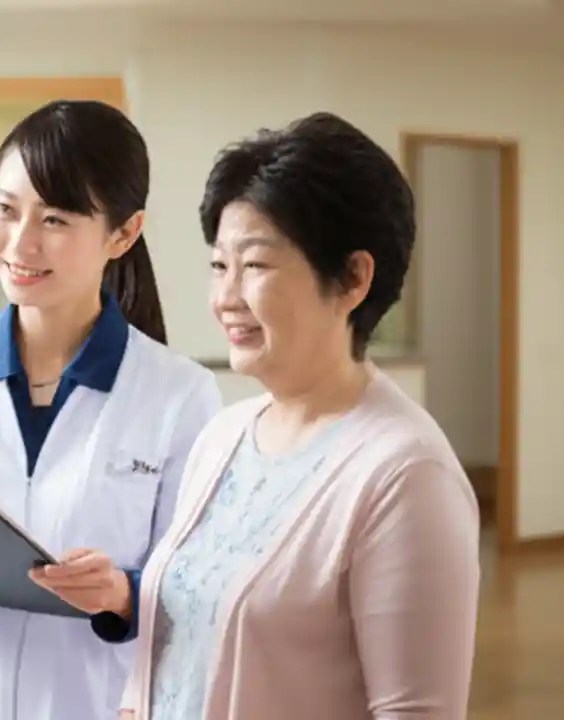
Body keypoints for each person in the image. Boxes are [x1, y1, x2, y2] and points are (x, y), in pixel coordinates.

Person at [0, 100, 224, 720]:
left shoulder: (179, 396)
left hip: (90, 699)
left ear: (124, 232)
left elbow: (194, 588)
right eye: (6, 209)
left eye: (55, 218)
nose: (21, 241)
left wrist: (120, 592)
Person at [117, 112, 480, 719]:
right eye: (218, 265)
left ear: (353, 279)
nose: (227, 297)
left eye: (255, 265)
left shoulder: (406, 476)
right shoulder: (224, 436)